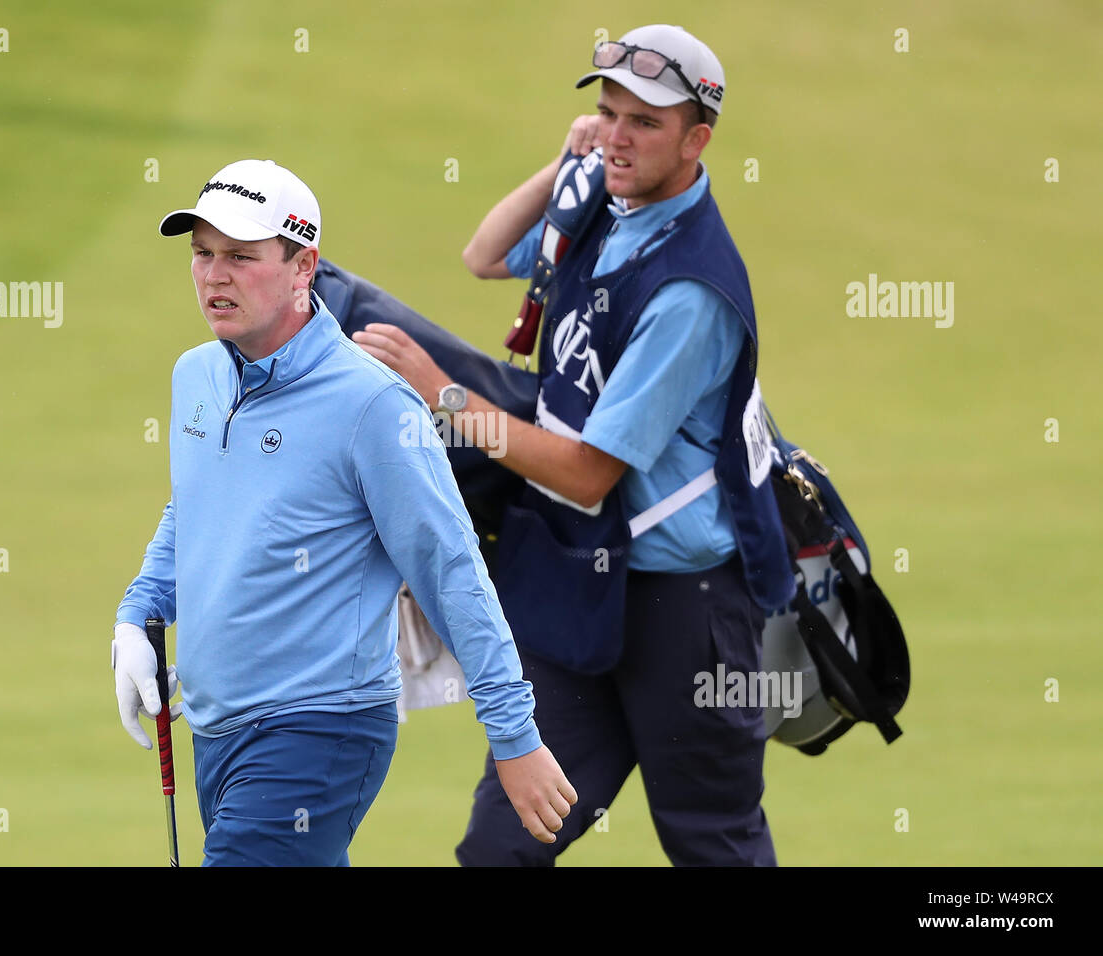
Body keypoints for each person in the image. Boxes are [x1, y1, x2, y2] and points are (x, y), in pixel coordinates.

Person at [351, 25, 794, 866]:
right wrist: (567, 166)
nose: (618, 136)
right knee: (501, 848)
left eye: (645, 124)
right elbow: (484, 255)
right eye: (609, 113)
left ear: (697, 140)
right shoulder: (605, 203)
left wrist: (442, 396)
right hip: (579, 587)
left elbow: (587, 475)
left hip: (687, 611)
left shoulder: (691, 292)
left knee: (713, 846)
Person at [110, 159, 577, 866]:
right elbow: (193, 510)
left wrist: (515, 736)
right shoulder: (195, 376)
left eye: (241, 256)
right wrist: (138, 613)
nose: (214, 275)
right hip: (215, 726)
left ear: (305, 268)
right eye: (202, 254)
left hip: (320, 727)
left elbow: (450, 568)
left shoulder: (373, 406)